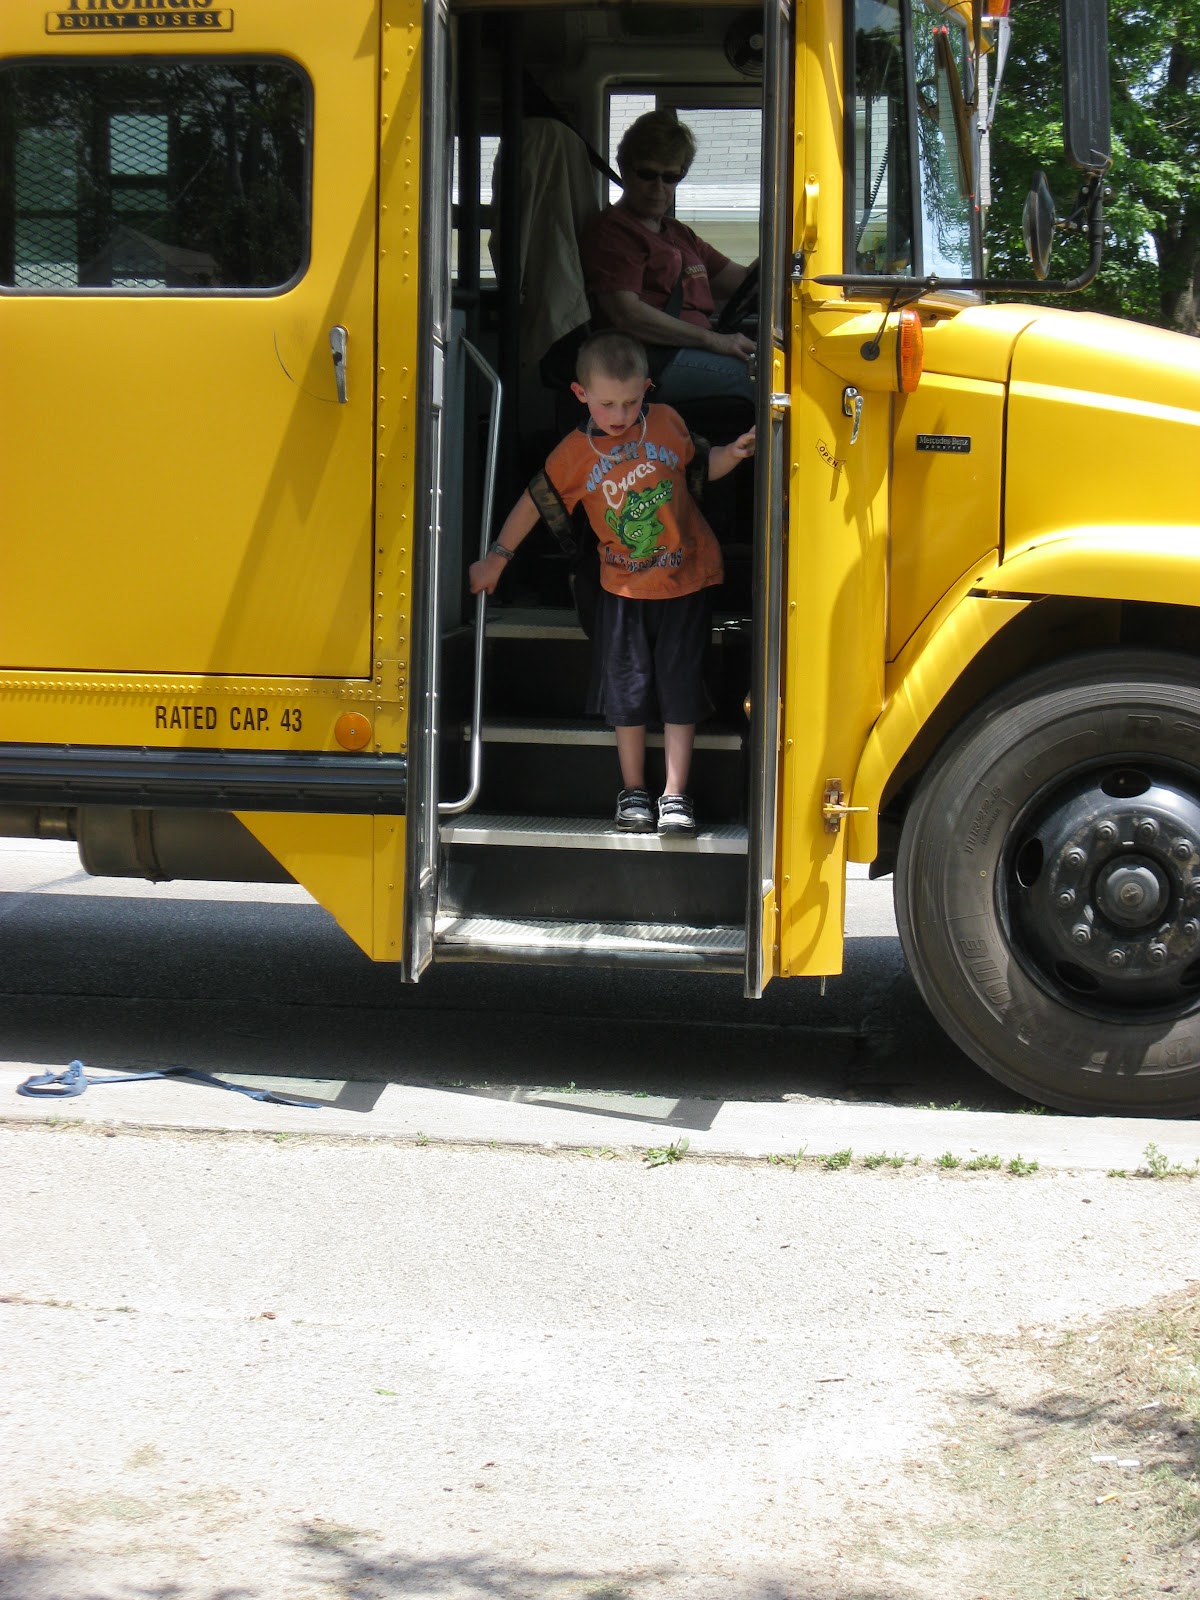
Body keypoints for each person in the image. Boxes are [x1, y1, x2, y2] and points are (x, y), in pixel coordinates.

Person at [469, 331, 755, 837]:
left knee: (681, 688)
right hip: (622, 591)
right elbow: (536, 502)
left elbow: (698, 471)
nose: (619, 414)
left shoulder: (668, 424)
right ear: (582, 396)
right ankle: (634, 792)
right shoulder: (574, 453)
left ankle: (674, 795)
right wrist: (498, 558)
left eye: (629, 401)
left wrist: (732, 453)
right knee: (627, 694)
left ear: (646, 389)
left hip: (686, 581)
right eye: (606, 404)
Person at [580, 110, 756, 416]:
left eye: (671, 176)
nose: (658, 187)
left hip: (689, 351)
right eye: (647, 174)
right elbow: (626, 314)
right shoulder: (613, 232)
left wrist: (784, 246)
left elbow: (743, 282)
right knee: (768, 383)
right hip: (647, 363)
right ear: (625, 169)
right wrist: (715, 341)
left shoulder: (678, 233)